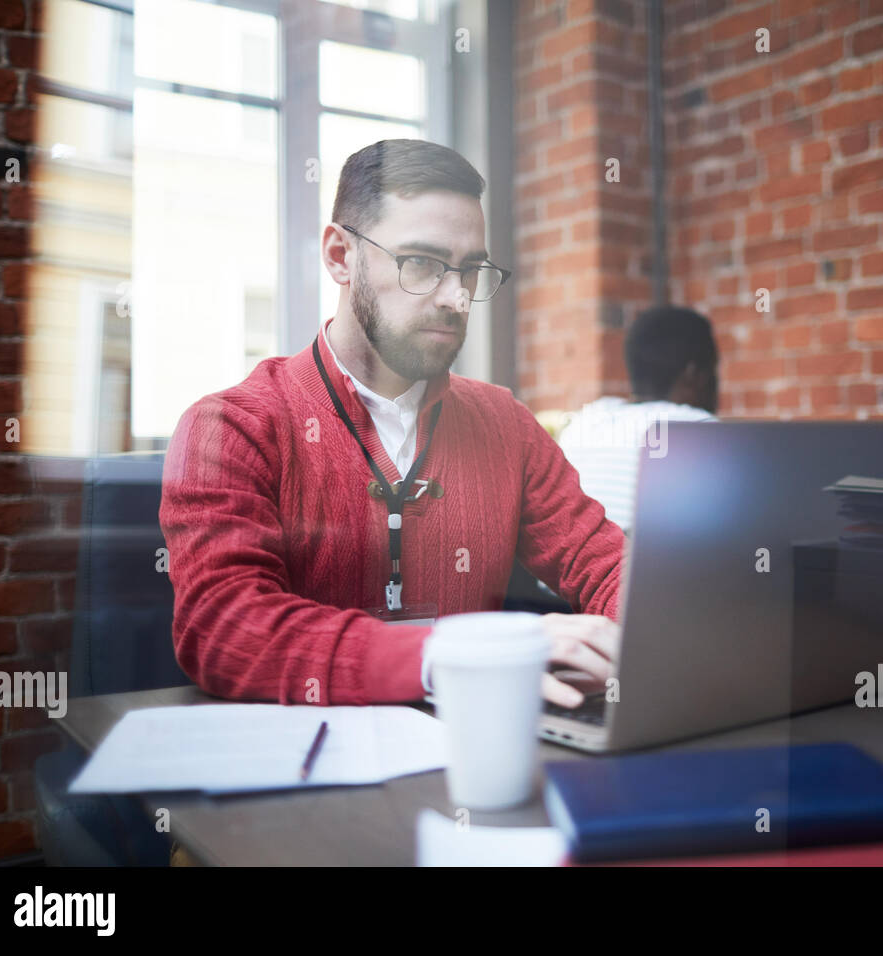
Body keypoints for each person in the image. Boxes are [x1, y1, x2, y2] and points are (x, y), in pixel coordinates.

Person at [160, 139, 619, 710]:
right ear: (339, 256)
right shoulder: (230, 425)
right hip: (304, 779)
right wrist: (445, 658)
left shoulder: (506, 424)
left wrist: (646, 631)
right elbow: (224, 627)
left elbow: (604, 562)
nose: (456, 298)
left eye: (471, 269)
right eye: (422, 263)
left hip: (473, 764)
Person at [558, 305, 719, 529]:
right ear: (694, 375)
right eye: (714, 371)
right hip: (657, 564)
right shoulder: (701, 430)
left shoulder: (582, 423)